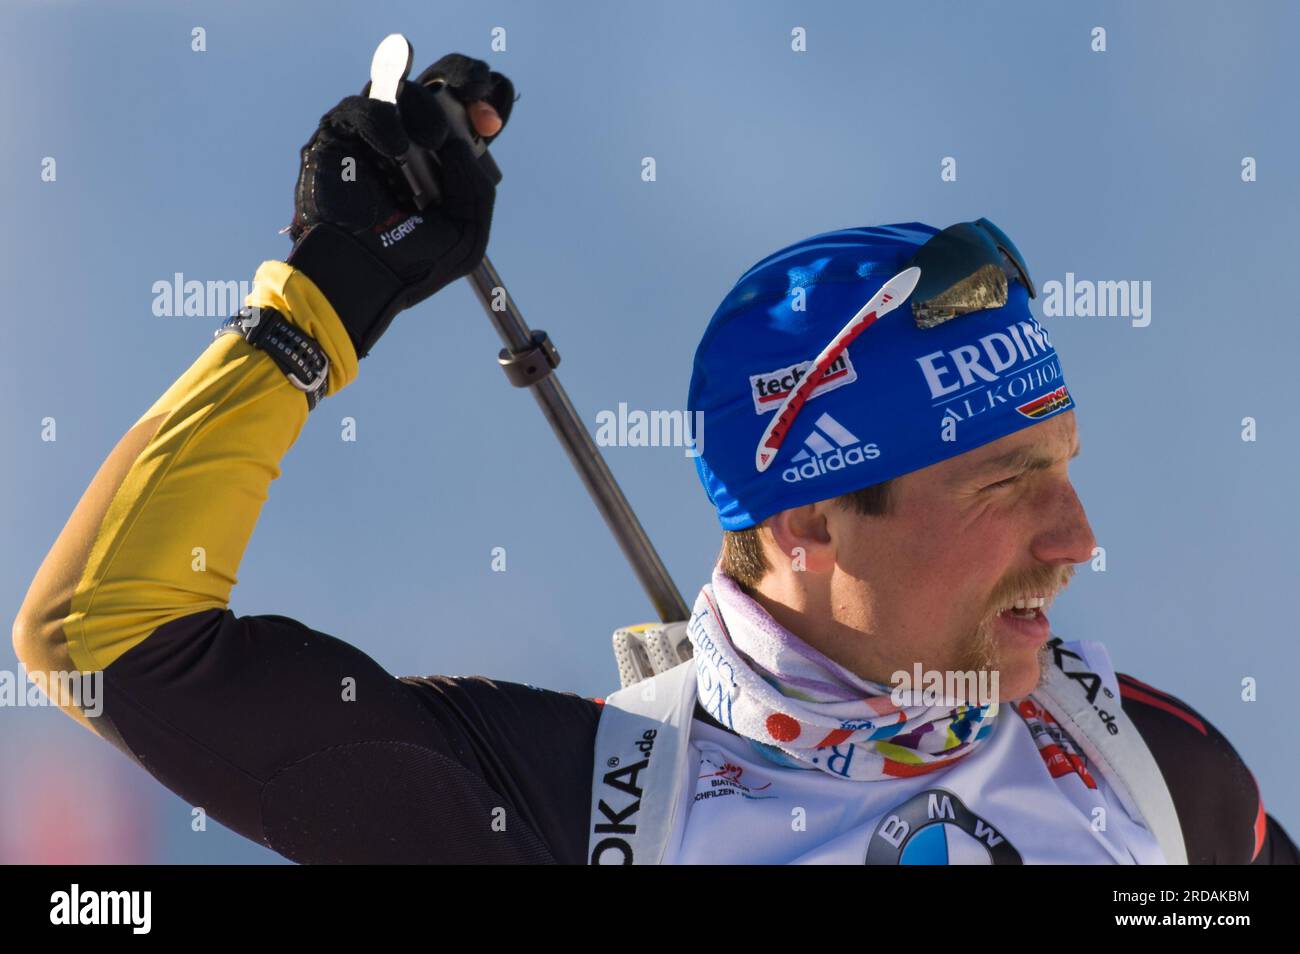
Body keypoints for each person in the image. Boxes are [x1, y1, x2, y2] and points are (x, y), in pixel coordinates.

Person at [11, 53, 1296, 866]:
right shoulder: (574, 806)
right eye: (1006, 482)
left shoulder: (1154, 777)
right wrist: (318, 302)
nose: (1076, 539)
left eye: (1062, 467)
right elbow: (107, 639)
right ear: (809, 521)